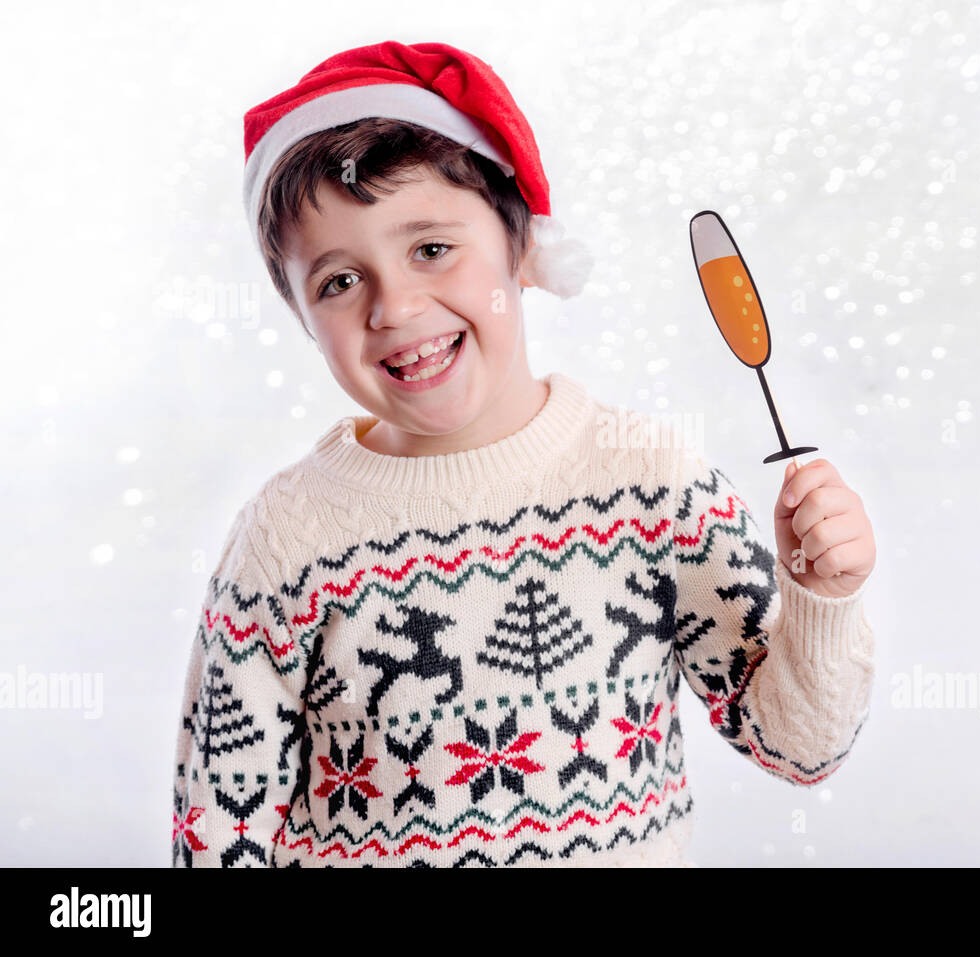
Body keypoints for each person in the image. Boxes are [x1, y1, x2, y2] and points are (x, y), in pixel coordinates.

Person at [171, 40, 878, 868]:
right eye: (338, 281)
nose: (395, 307)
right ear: (300, 315)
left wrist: (823, 600)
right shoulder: (286, 537)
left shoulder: (651, 482)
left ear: (522, 249)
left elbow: (799, 748)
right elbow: (219, 830)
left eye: (432, 249)